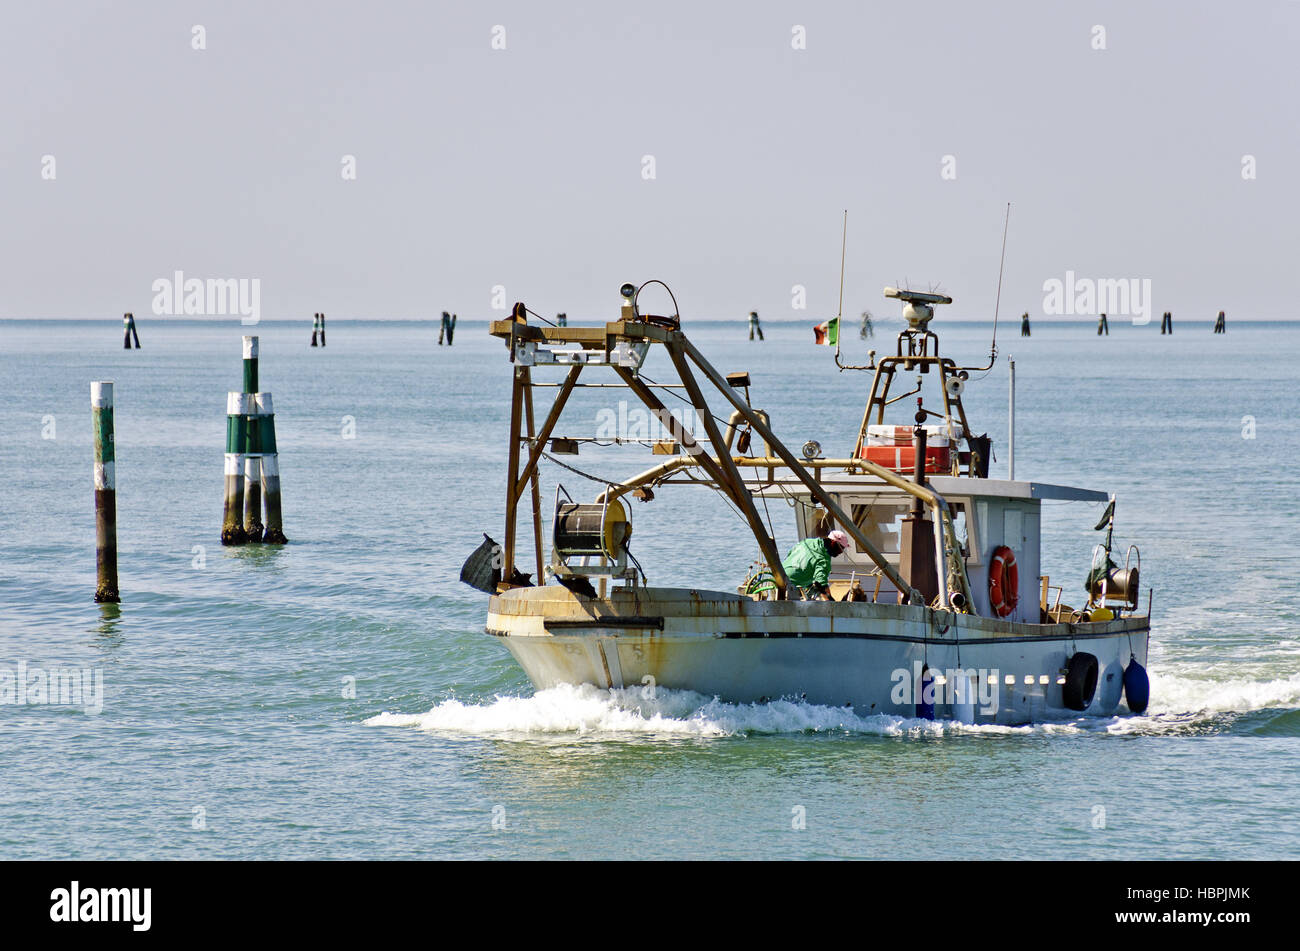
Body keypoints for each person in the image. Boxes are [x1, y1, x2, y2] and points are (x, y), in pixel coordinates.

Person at [782, 529, 850, 600]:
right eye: (841, 549)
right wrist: (831, 602)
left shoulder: (807, 542)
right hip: (790, 587)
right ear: (833, 543)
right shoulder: (823, 559)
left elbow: (790, 553)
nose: (841, 552)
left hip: (777, 576)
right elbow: (821, 584)